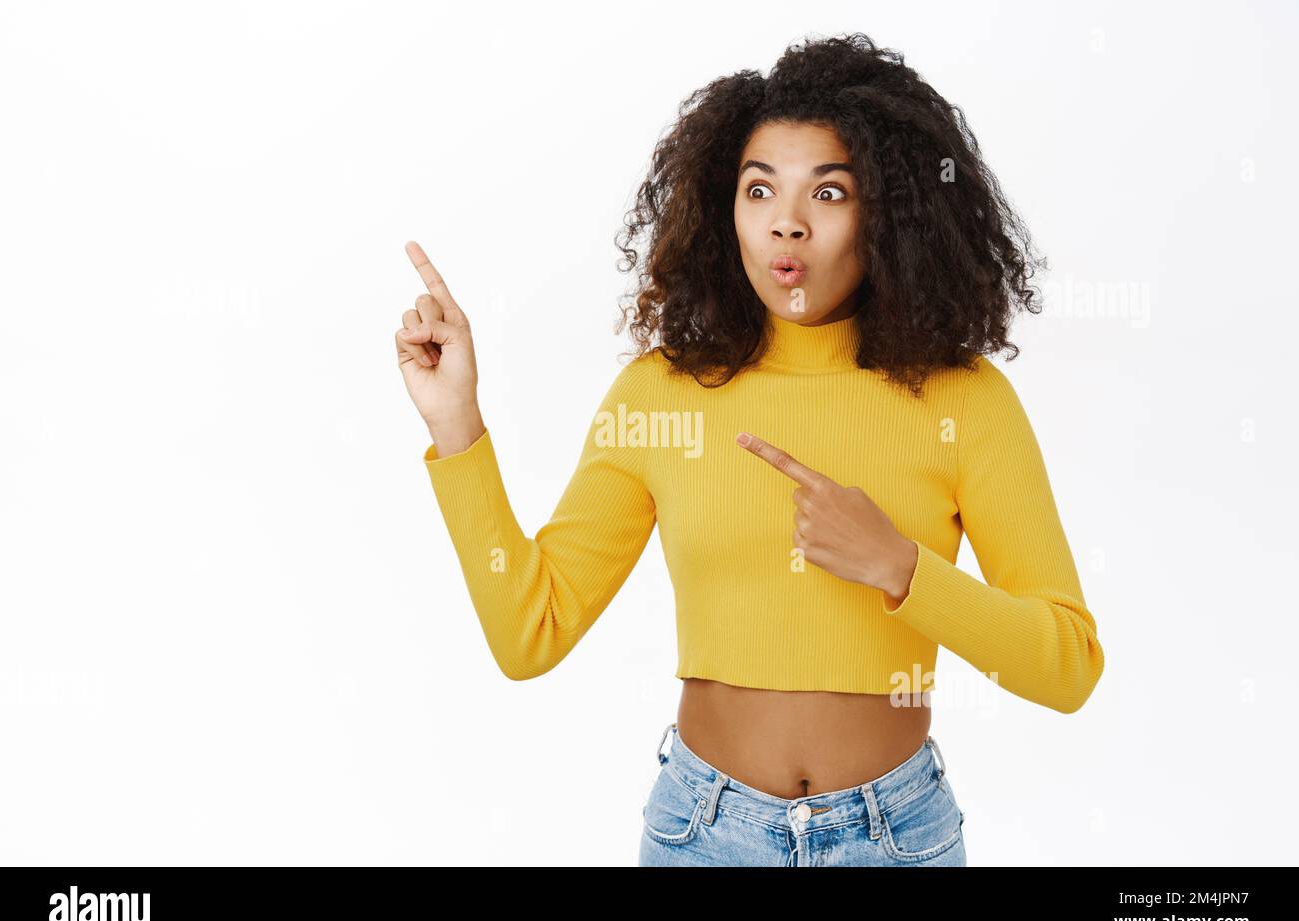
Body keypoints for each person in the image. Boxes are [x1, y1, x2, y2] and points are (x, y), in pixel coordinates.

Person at [394, 32, 1104, 867]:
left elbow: (1069, 668)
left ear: (889, 213)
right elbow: (530, 634)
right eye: (759, 189)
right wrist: (457, 426)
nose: (787, 224)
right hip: (702, 833)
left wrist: (901, 568)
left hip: (895, 837)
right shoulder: (660, 394)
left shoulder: (966, 400)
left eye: (829, 193)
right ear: (722, 208)